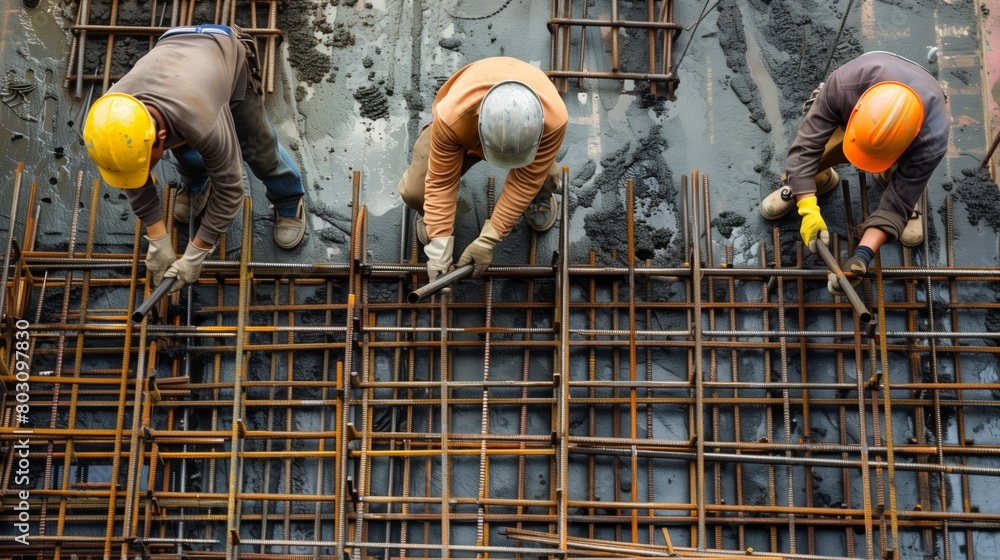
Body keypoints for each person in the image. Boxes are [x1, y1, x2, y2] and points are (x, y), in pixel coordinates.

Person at [84, 24, 307, 294]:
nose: (141, 169)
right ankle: (197, 183)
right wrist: (157, 237)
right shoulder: (109, 118)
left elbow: (230, 190)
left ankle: (288, 199)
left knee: (258, 148)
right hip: (176, 52)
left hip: (221, 52)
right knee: (188, 151)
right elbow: (128, 168)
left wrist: (196, 252)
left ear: (160, 136)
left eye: (145, 161)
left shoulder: (201, 120)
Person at [759, 52, 949, 294]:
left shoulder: (931, 141)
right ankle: (817, 181)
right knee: (805, 163)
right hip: (857, 95)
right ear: (857, 111)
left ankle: (895, 181)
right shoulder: (844, 85)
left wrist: (862, 256)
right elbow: (805, 150)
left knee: (906, 188)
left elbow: (893, 207)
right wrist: (808, 209)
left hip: (917, 130)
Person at [397, 57, 569, 281]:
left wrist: (488, 240)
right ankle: (430, 216)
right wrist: (439, 247)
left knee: (543, 175)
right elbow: (441, 183)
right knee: (416, 192)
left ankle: (540, 196)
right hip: (463, 131)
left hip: (528, 140)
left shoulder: (554, 120)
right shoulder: (452, 118)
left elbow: (524, 181)